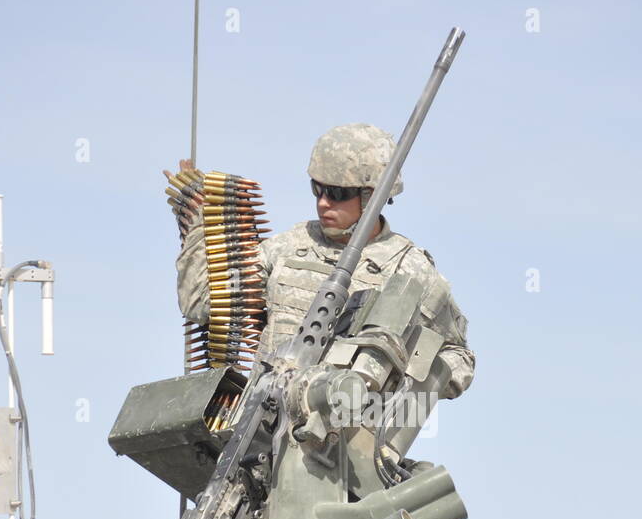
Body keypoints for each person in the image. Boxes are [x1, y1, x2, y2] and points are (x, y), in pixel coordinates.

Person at [175, 123, 474, 401]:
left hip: (346, 441)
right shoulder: (288, 248)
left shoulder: (409, 269)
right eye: (317, 189)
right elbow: (202, 307)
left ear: (372, 196)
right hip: (261, 428)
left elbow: (458, 357)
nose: (323, 202)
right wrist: (199, 224)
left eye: (337, 193)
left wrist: (395, 384)